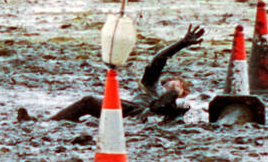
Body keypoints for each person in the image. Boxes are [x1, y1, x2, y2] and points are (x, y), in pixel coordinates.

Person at [24, 24, 205, 123]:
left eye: (180, 86)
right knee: (88, 101)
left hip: (161, 115)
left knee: (180, 109)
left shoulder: (186, 104)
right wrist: (182, 43)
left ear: (185, 92)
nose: (175, 84)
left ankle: (162, 110)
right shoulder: (151, 85)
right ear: (163, 83)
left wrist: (175, 98)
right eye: (172, 82)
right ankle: (44, 123)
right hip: (132, 111)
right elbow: (158, 60)